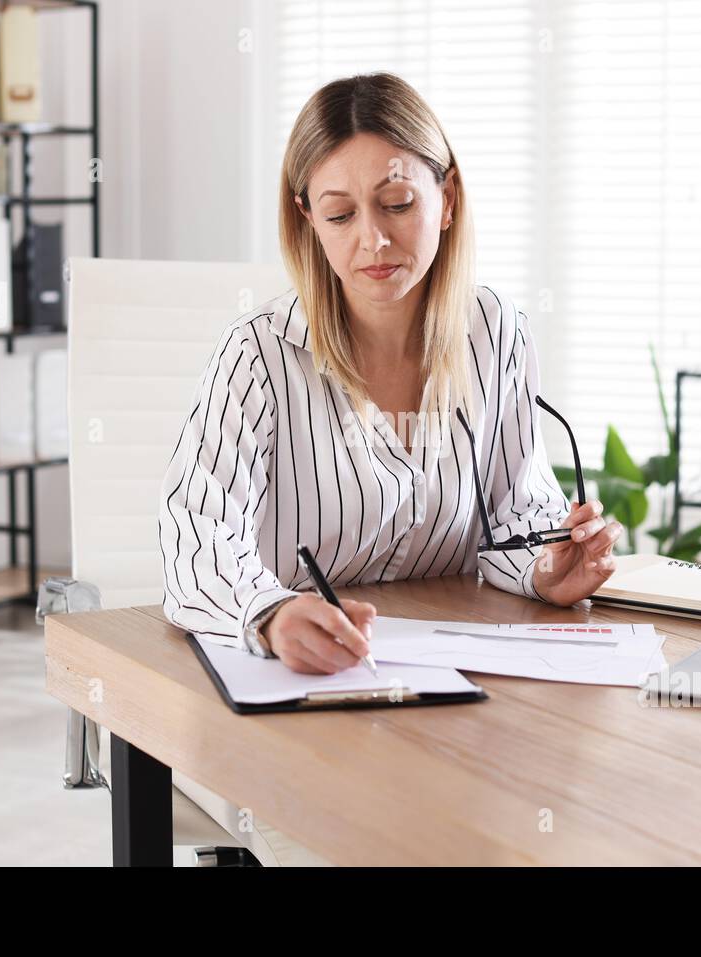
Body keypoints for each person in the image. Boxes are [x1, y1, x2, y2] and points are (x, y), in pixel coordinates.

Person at [160, 72, 621, 675]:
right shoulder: (259, 355)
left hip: (452, 674)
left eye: (397, 204)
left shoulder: (496, 330)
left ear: (447, 198)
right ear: (307, 220)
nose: (372, 240)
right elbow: (197, 539)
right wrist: (270, 615)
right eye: (339, 215)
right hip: (292, 681)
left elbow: (515, 512)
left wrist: (547, 569)